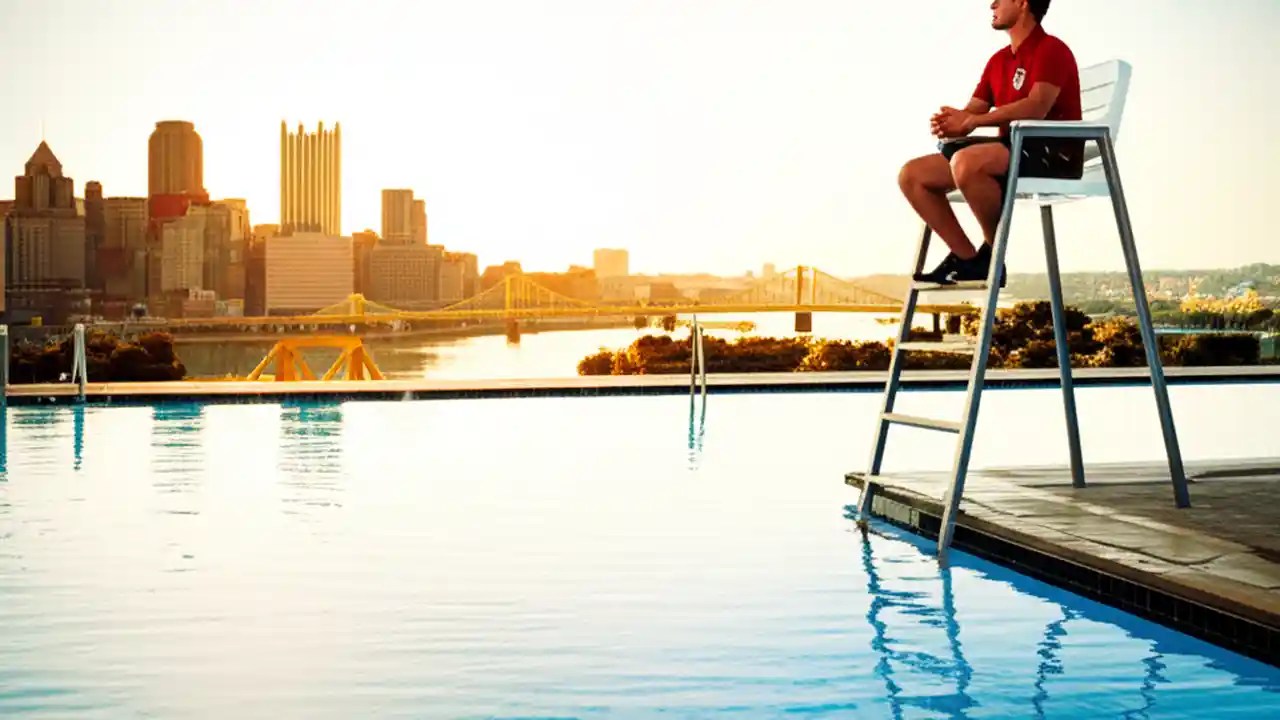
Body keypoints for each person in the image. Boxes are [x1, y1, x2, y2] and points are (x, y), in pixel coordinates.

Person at [899, 0, 1083, 285]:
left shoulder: (1052, 49)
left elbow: (1036, 107)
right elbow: (974, 110)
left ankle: (993, 253)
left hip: (1051, 155)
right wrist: (953, 122)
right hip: (1010, 151)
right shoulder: (999, 61)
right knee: (912, 175)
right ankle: (969, 259)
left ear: (1022, 3)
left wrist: (972, 122)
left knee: (966, 162)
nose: (992, 4)